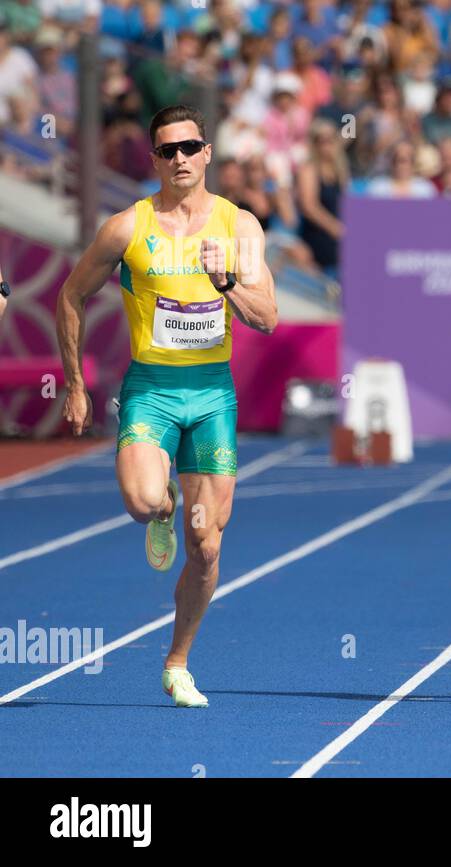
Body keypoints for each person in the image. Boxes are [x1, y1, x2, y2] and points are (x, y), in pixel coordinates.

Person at [55, 105, 278, 708]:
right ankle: (163, 504)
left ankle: (177, 661)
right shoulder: (128, 228)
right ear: (154, 159)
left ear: (208, 153)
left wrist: (227, 281)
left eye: (189, 147)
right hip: (151, 390)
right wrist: (75, 382)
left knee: (207, 545)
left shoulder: (240, 228)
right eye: (166, 150)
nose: (179, 158)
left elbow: (267, 318)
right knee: (142, 501)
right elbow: (71, 295)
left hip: (211, 396)